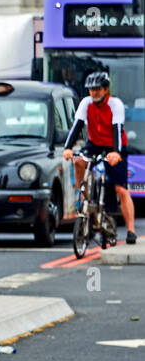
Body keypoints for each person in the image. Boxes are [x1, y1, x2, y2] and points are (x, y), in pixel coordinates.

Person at [63, 71, 137, 245]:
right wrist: (67, 148)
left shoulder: (115, 104)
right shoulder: (86, 103)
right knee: (79, 161)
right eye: (91, 90)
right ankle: (84, 197)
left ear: (105, 90)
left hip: (114, 145)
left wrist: (116, 152)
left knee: (120, 189)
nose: (94, 93)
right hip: (95, 143)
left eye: (97, 89)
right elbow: (77, 126)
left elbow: (117, 128)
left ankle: (131, 229)